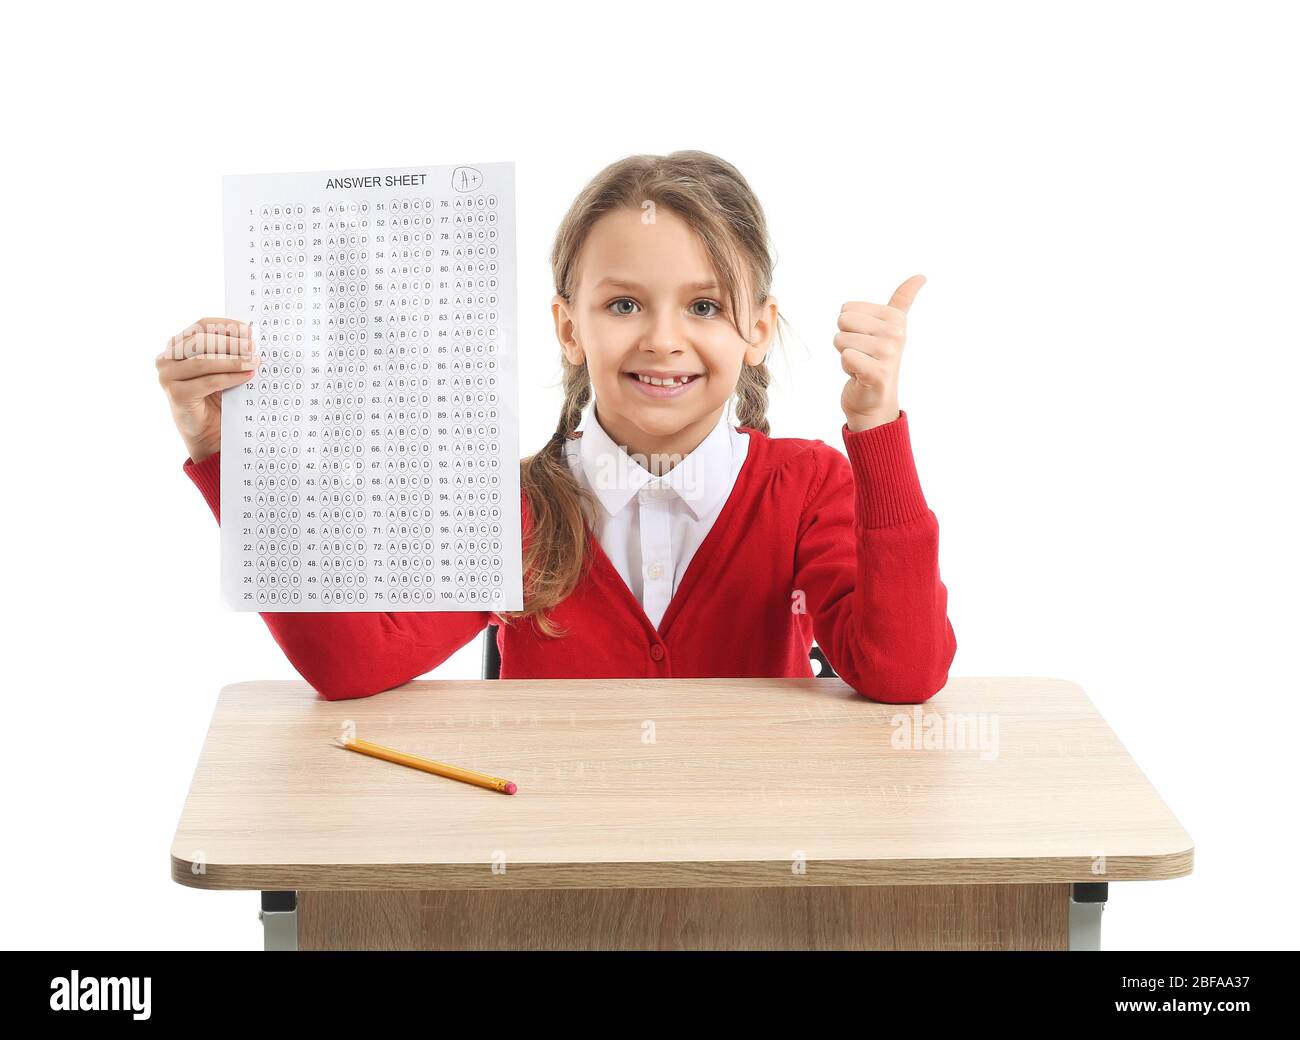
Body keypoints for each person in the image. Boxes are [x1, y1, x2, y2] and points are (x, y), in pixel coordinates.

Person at [158, 150, 956, 702]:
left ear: (757, 329)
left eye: (705, 306)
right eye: (623, 304)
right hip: (551, 890)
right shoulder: (517, 510)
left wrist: (877, 426)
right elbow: (350, 663)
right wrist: (226, 451)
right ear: (569, 328)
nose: (663, 339)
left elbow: (904, 669)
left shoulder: (808, 484)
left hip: (748, 877)